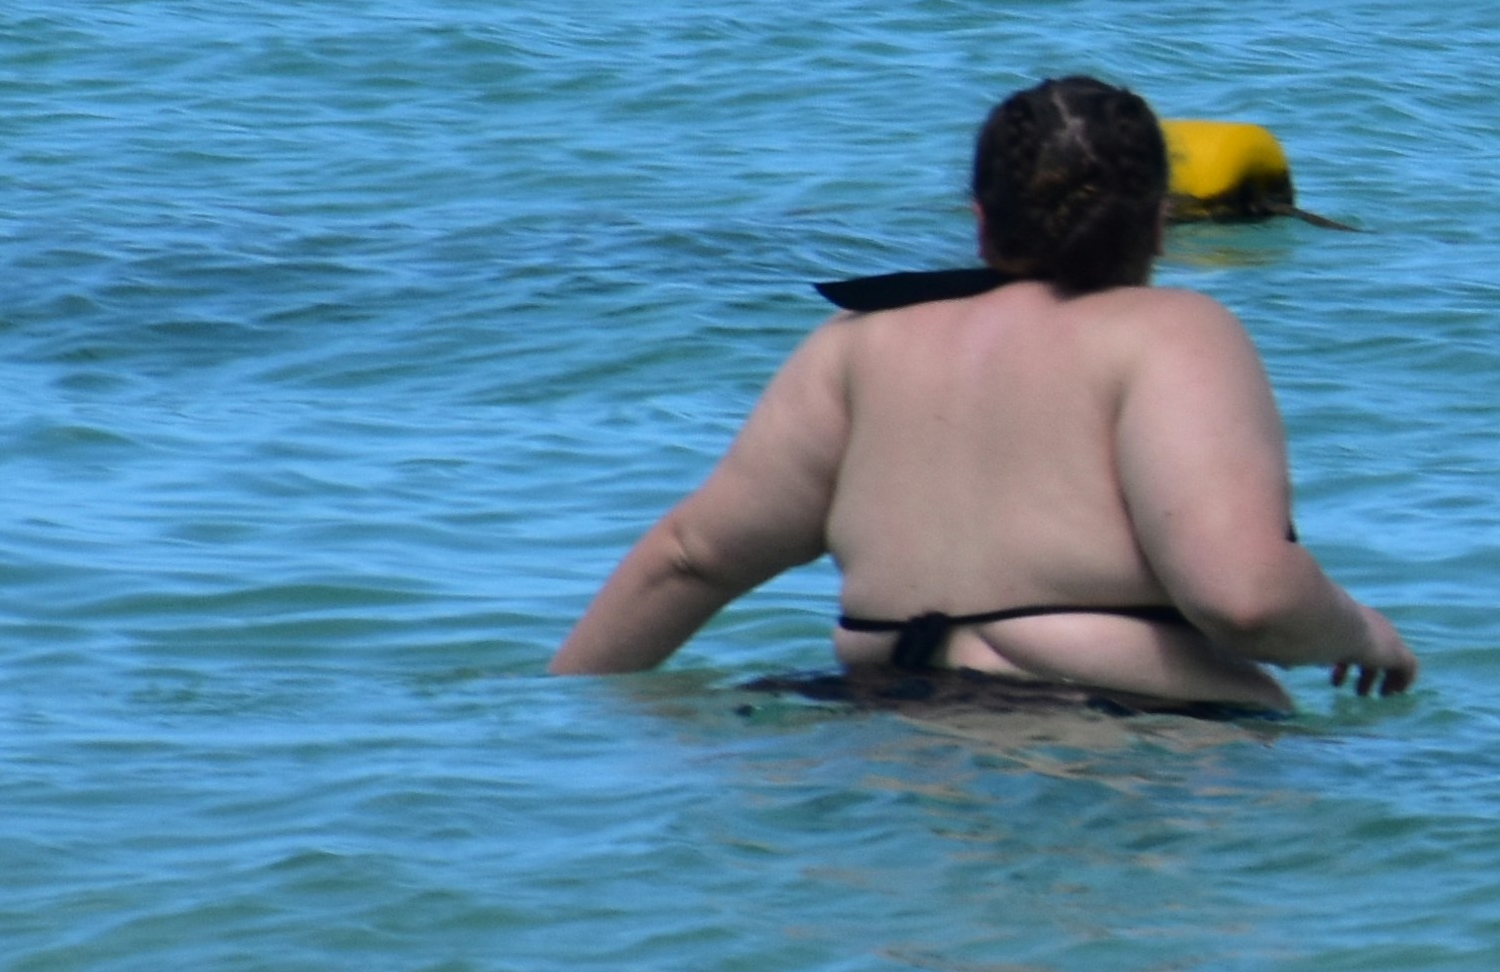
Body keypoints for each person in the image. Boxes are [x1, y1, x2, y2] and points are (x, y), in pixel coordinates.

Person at [551, 75, 1415, 709]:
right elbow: (1246, 598)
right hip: (1117, 749)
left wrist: (552, 713)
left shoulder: (858, 342)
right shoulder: (1174, 330)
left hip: (862, 728)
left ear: (980, 219)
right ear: (1157, 223)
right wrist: (1360, 632)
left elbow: (691, 559)